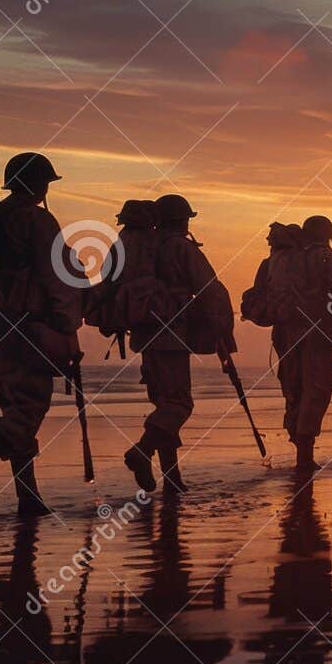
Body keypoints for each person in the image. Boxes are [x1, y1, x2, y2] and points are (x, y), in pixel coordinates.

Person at [0, 152, 82, 517]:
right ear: (40, 185)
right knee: (28, 410)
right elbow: (54, 273)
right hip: (31, 328)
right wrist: (66, 319)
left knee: (16, 407)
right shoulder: (36, 220)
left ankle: (29, 497)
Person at [121, 193, 236, 495]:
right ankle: (142, 451)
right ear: (181, 220)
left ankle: (172, 478)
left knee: (164, 403)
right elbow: (210, 290)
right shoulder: (180, 248)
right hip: (171, 334)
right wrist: (223, 332)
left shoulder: (143, 247)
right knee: (178, 404)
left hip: (145, 333)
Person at [273, 215, 332, 471]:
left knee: (294, 389)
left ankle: (300, 450)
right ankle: (304, 456)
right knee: (316, 391)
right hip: (317, 335)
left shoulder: (282, 259)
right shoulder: (327, 257)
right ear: (327, 236)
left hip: (286, 335)